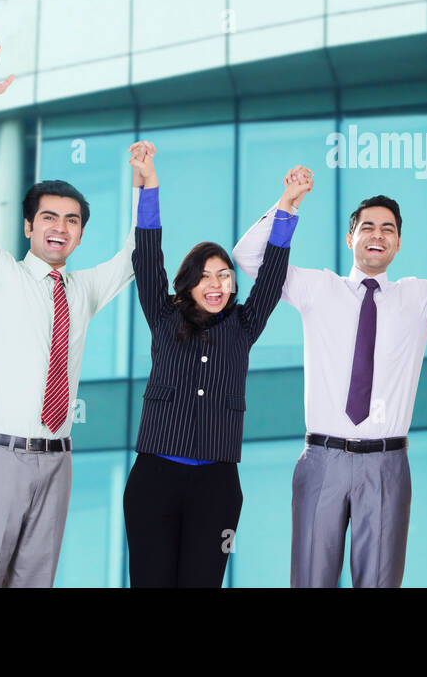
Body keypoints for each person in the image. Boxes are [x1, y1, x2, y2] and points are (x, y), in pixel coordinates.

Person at [232, 169, 427, 587]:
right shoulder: (316, 288)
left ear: (398, 243)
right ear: (350, 238)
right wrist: (287, 205)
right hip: (322, 461)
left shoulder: (422, 297)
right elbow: (248, 258)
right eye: (368, 226)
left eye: (388, 229)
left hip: (387, 463)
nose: (378, 234)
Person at [0, 39, 146, 587]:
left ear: (81, 233)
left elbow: (135, 257)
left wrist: (143, 188)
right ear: (29, 226)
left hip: (57, 462)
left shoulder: (81, 290)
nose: (61, 227)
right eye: (49, 217)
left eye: (73, 220)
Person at [122, 155, 305, 587]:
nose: (217, 284)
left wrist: (288, 208)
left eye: (224, 276)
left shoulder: (244, 325)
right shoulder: (164, 316)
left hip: (218, 486)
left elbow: (272, 276)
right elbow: (147, 257)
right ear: (187, 284)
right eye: (206, 277)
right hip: (153, 480)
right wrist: (148, 185)